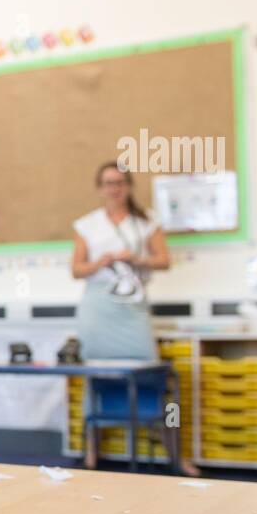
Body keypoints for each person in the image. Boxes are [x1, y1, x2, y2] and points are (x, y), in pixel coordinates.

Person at [71, 160, 198, 476]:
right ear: (100, 188)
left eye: (119, 182)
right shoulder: (88, 224)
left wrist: (136, 258)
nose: (114, 188)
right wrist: (99, 262)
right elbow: (76, 270)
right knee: (94, 380)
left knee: (154, 379)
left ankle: (175, 454)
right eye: (108, 183)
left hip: (133, 309)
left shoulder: (147, 222)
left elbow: (164, 261)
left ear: (128, 186)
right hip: (99, 310)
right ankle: (91, 455)